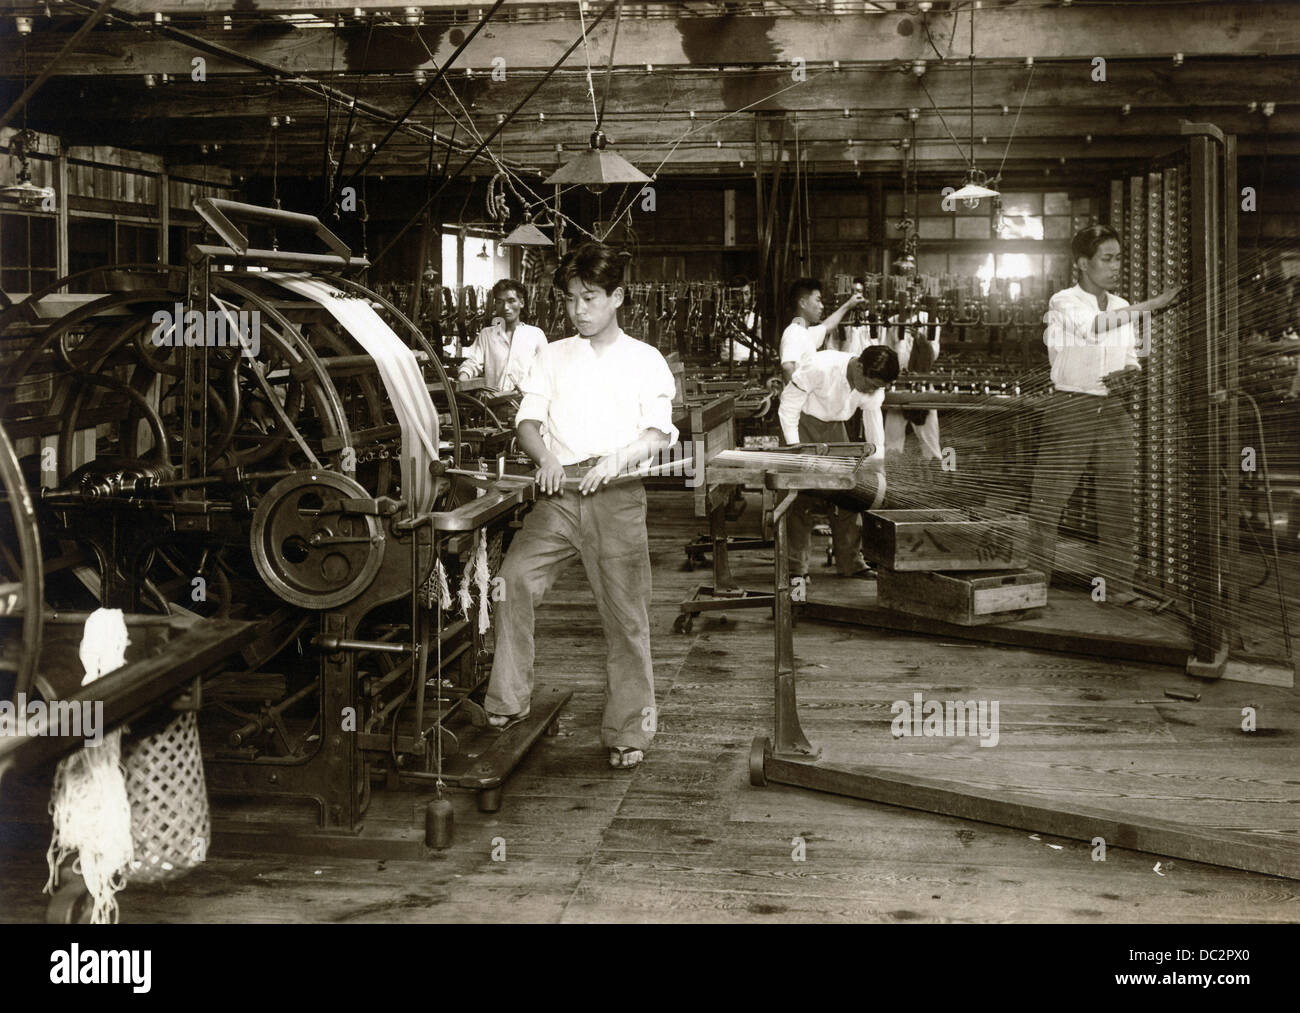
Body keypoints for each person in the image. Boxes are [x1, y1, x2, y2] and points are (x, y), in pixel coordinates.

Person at [484, 242, 677, 771]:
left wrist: (618, 458)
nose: (579, 311)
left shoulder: (645, 360)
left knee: (626, 619)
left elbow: (657, 434)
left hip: (617, 496)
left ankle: (627, 730)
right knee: (512, 581)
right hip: (562, 492)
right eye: (570, 301)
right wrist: (544, 457)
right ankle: (508, 700)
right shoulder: (553, 354)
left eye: (590, 299)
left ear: (617, 297)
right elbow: (527, 422)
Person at [1029, 224, 1180, 606]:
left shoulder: (1120, 305)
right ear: (1082, 263)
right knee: (1048, 506)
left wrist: (1130, 375)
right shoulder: (1063, 302)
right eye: (1107, 259)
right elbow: (1092, 329)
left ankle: (1119, 589)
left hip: (1112, 410)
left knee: (1117, 505)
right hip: (1070, 408)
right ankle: (1031, 586)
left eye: (1118, 258)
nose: (1116, 266)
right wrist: (1152, 305)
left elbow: (1130, 357)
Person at [777, 344, 900, 583]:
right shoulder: (821, 366)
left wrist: (877, 464)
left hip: (835, 428)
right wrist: (795, 449)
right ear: (859, 367)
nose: (872, 391)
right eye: (871, 385)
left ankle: (851, 561)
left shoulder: (874, 388)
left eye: (878, 388)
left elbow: (873, 421)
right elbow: (788, 405)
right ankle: (795, 567)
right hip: (800, 424)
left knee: (848, 490)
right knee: (799, 496)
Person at [457, 278, 548, 394]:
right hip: (493, 406)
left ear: (521, 303)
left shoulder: (536, 335)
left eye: (511, 301)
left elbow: (546, 371)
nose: (505, 307)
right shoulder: (487, 335)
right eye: (500, 302)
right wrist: (462, 379)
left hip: (526, 405)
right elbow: (472, 364)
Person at [779, 278, 865, 383]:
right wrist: (801, 395)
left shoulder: (805, 333)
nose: (822, 306)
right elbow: (788, 367)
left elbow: (827, 325)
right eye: (818, 300)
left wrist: (848, 305)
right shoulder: (794, 332)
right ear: (803, 303)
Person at [725, 276, 761, 363]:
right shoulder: (726, 316)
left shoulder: (756, 318)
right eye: (739, 294)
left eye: (746, 293)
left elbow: (759, 343)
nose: (743, 298)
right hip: (727, 360)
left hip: (749, 361)